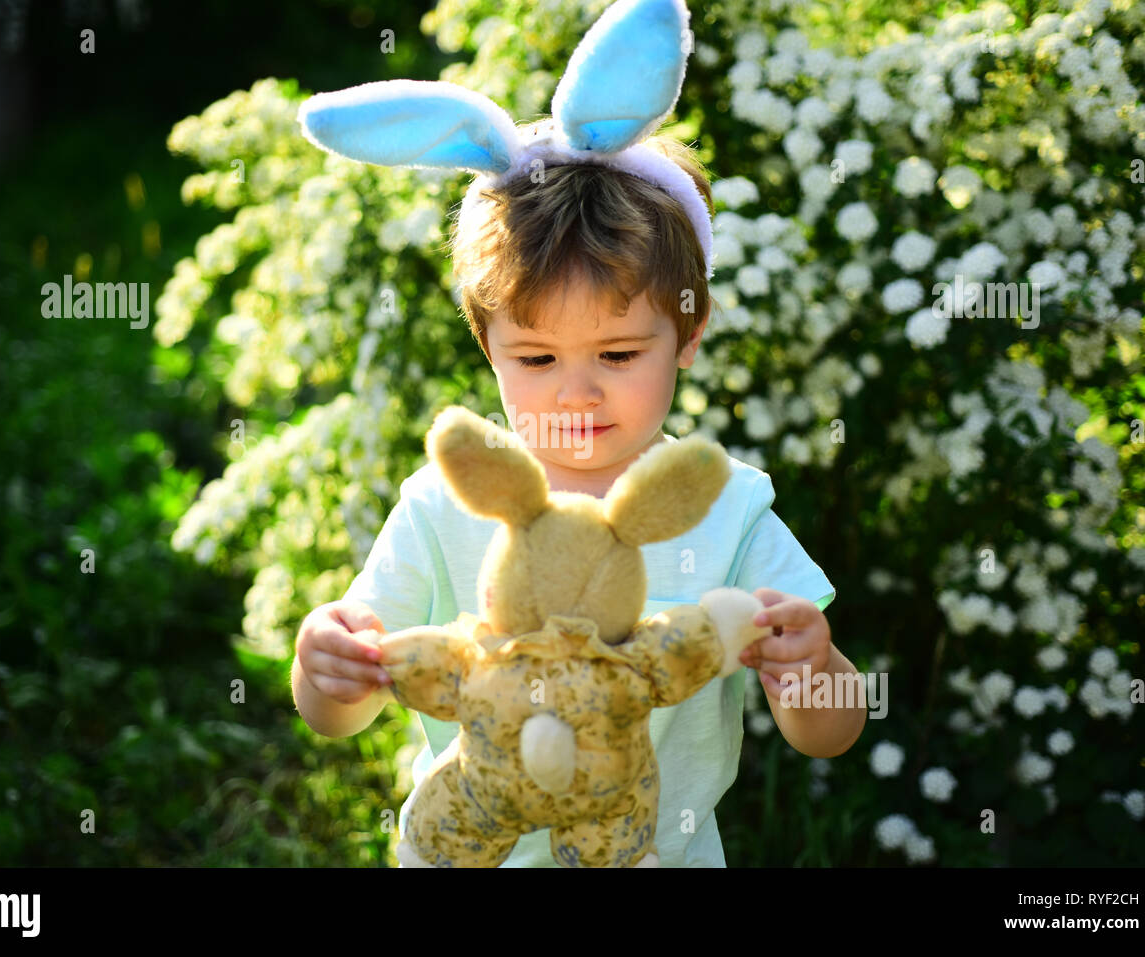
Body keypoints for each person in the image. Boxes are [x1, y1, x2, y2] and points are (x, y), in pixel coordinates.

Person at [290, 0, 867, 866]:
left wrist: (811, 667)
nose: (578, 391)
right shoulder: (447, 500)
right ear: (487, 346)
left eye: (620, 351)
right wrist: (325, 666)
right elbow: (343, 710)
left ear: (689, 330)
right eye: (535, 359)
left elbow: (827, 733)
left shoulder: (723, 506)